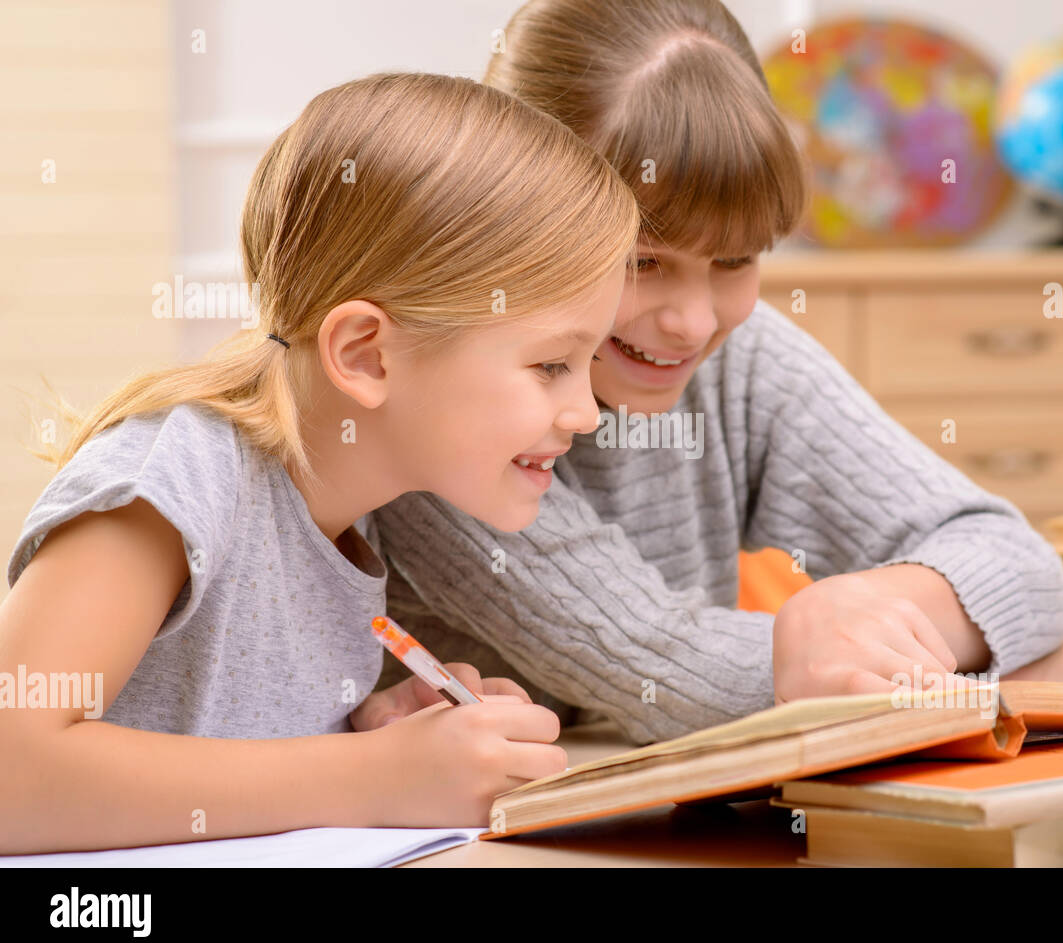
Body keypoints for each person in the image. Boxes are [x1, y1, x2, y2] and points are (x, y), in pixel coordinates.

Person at [358, 0, 1063, 747]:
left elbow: (1009, 552)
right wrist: (1032, 684)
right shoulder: (447, 401)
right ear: (516, 209)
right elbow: (668, 674)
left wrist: (863, 613)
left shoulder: (736, 362)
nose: (694, 319)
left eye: (735, 259)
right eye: (643, 261)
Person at [0, 72, 640, 852]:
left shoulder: (346, 512)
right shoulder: (176, 478)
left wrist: (369, 730)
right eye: (550, 366)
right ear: (366, 354)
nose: (585, 411)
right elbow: (14, 770)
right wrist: (370, 774)